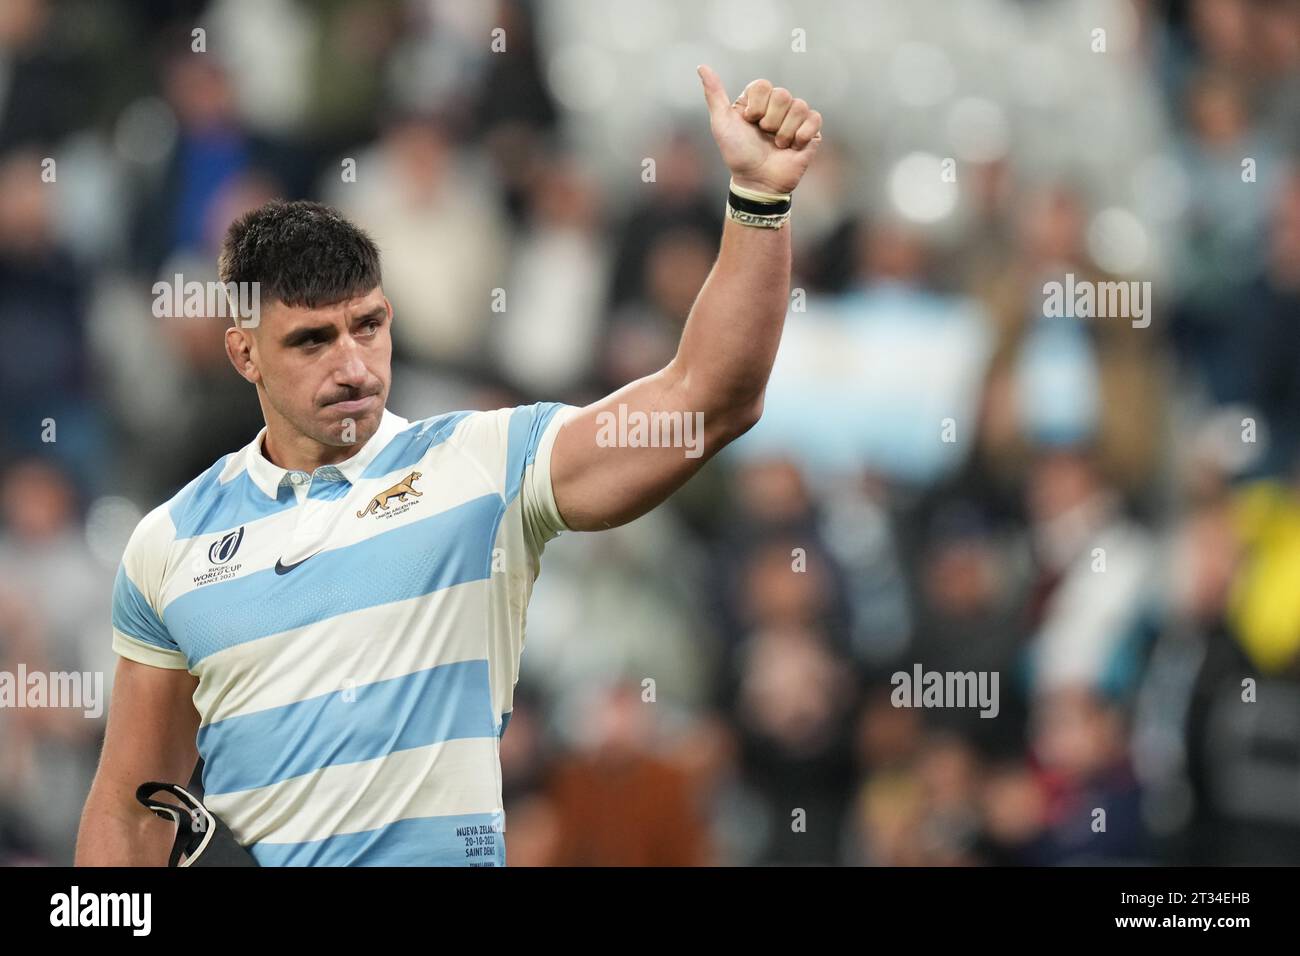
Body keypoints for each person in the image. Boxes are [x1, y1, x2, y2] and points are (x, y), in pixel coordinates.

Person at [74, 66, 823, 866]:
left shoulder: (482, 465)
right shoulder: (169, 543)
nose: (354, 366)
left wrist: (758, 197)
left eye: (368, 326)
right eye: (312, 341)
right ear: (244, 353)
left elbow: (709, 399)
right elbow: (132, 809)